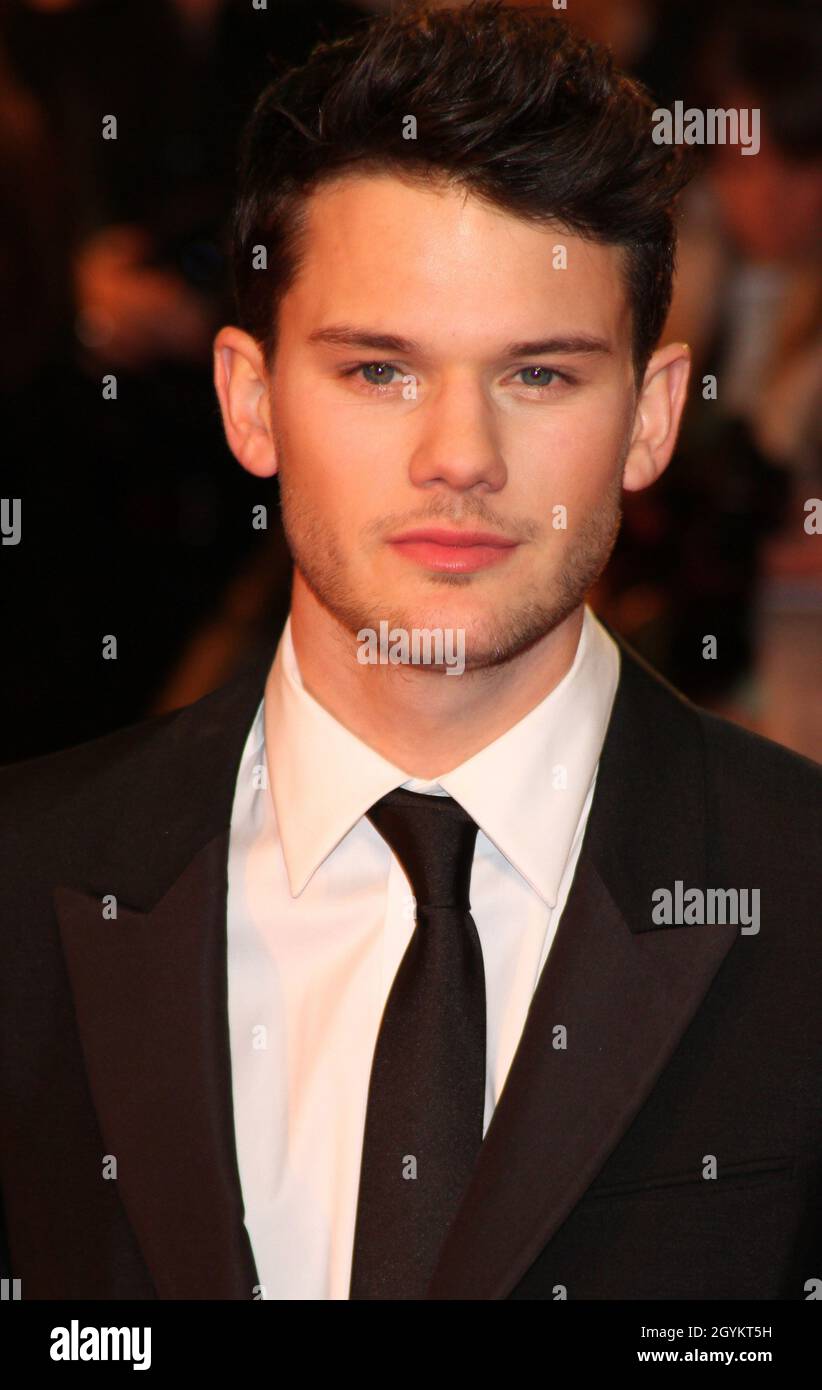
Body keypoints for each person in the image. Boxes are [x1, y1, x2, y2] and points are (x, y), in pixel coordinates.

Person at [1, 0, 820, 1302]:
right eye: (379, 370)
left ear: (652, 417)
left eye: (538, 375)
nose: (458, 456)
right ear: (250, 400)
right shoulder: (27, 881)